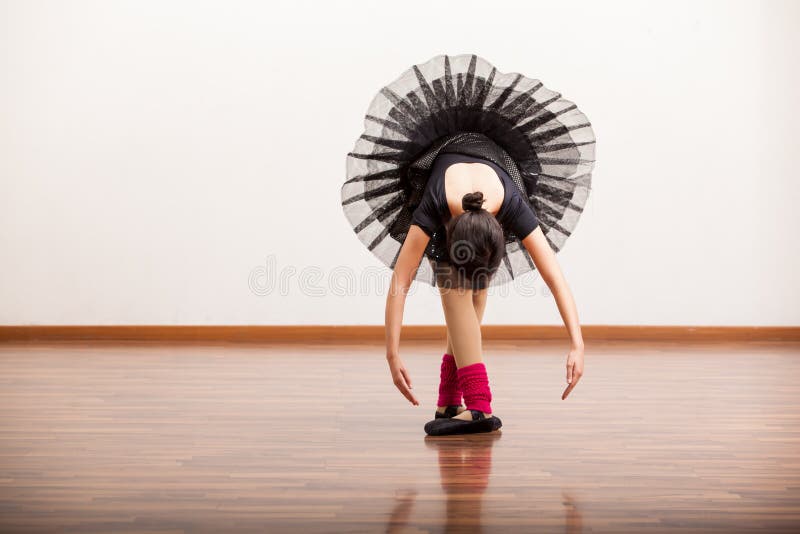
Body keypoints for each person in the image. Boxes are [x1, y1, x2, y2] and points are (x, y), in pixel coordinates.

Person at [341, 53, 596, 435]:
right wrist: (392, 354)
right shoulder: (433, 205)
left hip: (490, 168)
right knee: (454, 281)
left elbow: (555, 277)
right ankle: (466, 403)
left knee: (469, 287)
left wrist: (578, 343)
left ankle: (463, 403)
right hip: (444, 160)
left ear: (499, 226)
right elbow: (401, 283)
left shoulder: (512, 203)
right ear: (446, 228)